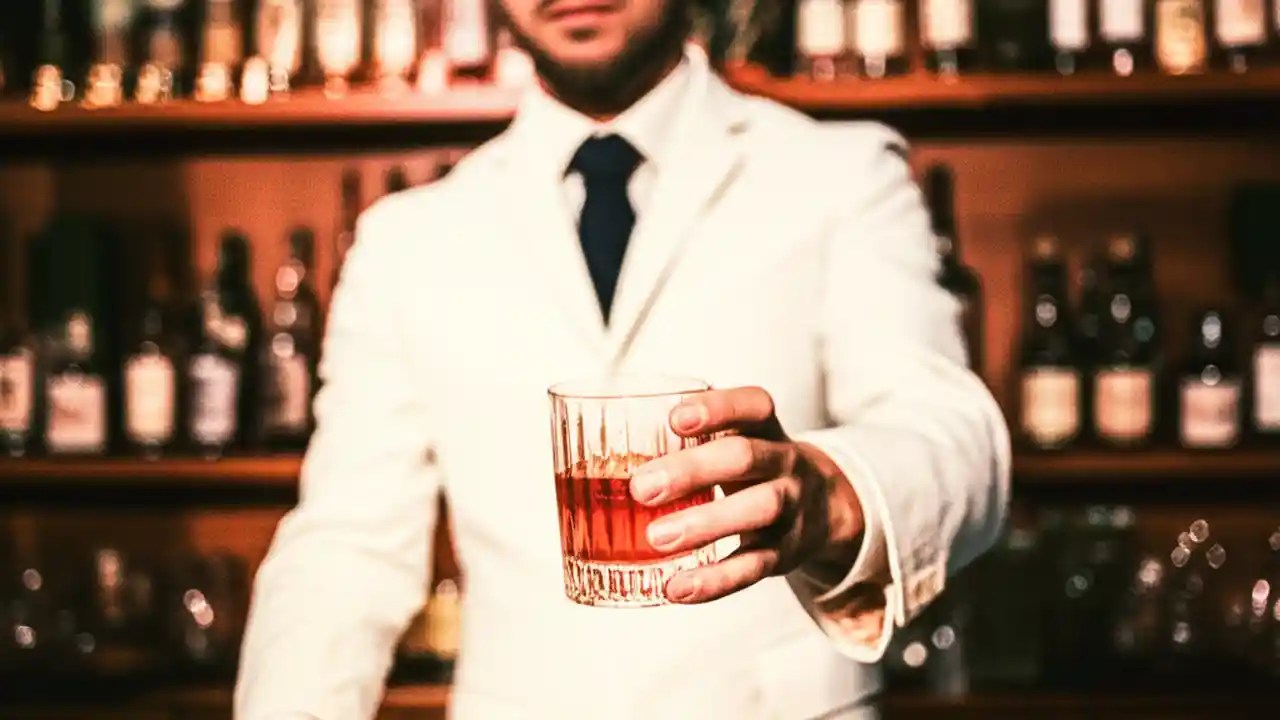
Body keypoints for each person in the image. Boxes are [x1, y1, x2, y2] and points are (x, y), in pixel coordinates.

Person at [234, 2, 1010, 718]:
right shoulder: (406, 238)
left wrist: (832, 497)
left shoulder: (844, 175)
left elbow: (952, 432)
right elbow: (345, 546)